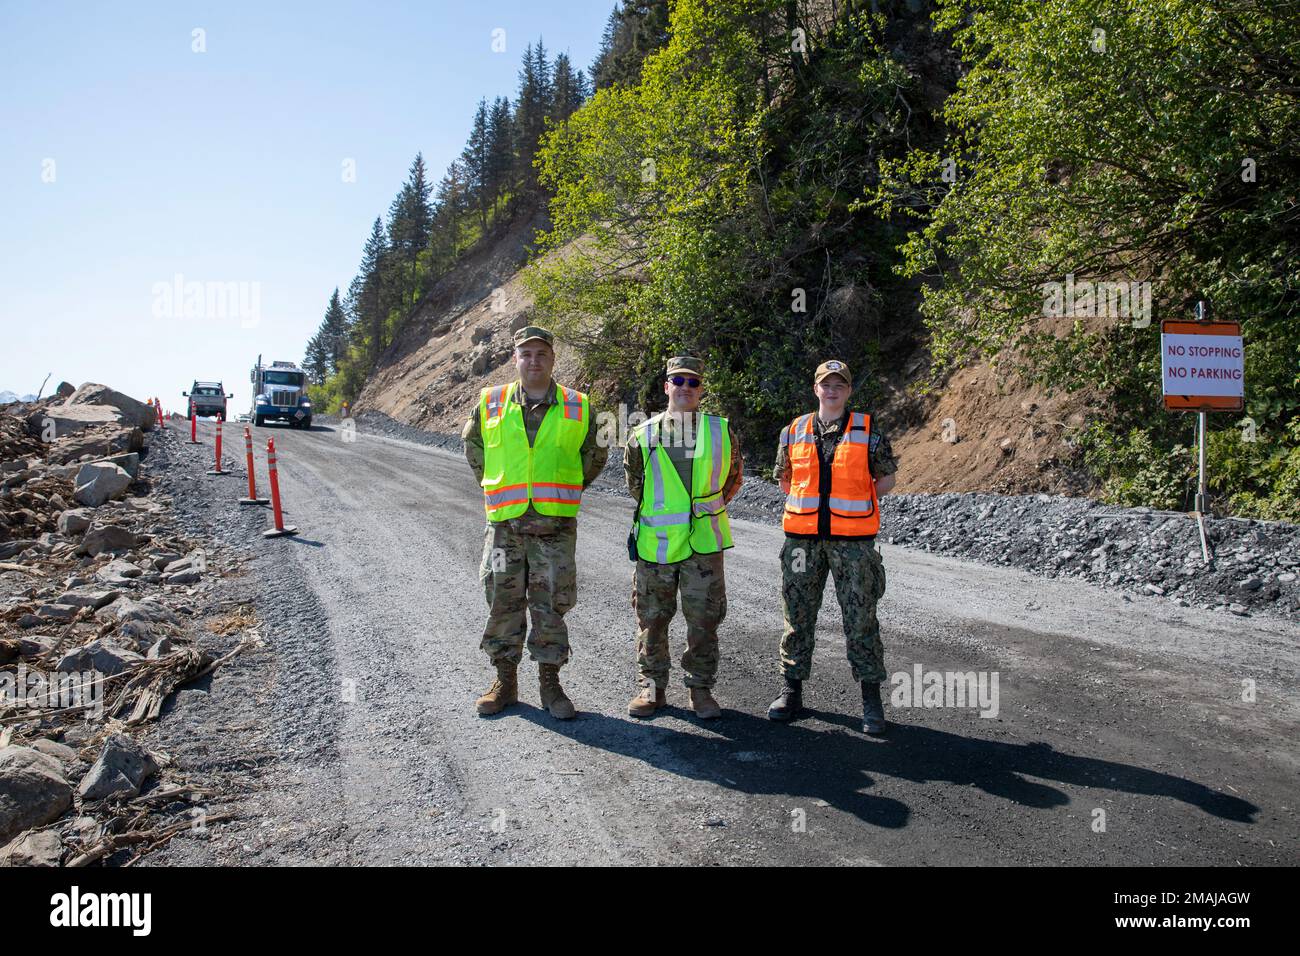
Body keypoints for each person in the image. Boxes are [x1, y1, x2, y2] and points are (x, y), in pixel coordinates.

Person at [462, 326, 608, 719]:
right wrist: (490, 484)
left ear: (552, 359)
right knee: (502, 602)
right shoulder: (491, 402)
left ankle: (550, 683)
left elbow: (595, 453)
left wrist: (568, 487)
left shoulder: (578, 406)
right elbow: (472, 444)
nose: (533, 361)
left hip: (554, 527)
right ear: (515, 359)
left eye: (541, 353)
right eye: (526, 354)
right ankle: (505, 683)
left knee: (551, 603)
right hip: (504, 527)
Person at [767, 360, 898, 734]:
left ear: (848, 391)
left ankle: (871, 701)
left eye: (840, 384)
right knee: (797, 616)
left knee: (861, 620)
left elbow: (885, 480)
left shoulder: (869, 431)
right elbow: (785, 481)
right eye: (826, 384)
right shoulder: (792, 431)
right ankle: (791, 692)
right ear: (816, 389)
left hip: (853, 544)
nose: (832, 389)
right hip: (801, 543)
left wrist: (854, 501)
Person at [624, 356, 743, 720]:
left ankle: (700, 688)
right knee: (652, 618)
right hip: (655, 545)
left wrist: (708, 507)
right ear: (666, 386)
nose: (686, 388)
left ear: (702, 389)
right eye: (679, 381)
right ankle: (652, 686)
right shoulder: (642, 435)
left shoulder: (720, 431)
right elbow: (636, 487)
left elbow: (734, 477)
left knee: (704, 619)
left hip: (704, 546)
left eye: (693, 382)